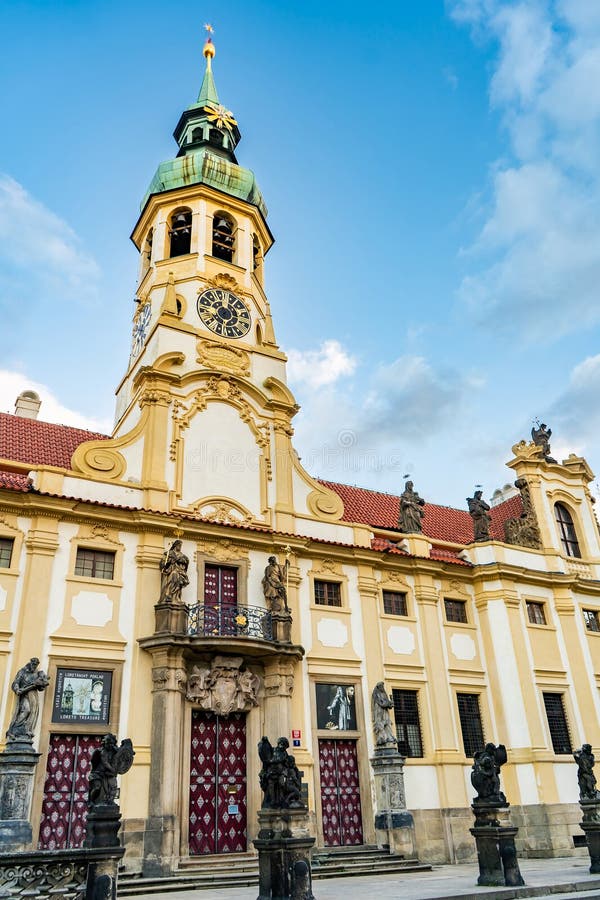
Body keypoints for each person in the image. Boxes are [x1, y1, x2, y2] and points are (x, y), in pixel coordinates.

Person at [6, 657, 50, 743]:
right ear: (30, 663)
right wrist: (17, 689)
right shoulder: (22, 672)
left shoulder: (38, 673)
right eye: (33, 664)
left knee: (33, 712)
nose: (34, 666)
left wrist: (41, 684)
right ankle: (15, 729)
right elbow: (16, 683)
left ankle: (26, 729)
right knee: (26, 710)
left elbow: (41, 687)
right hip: (24, 694)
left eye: (36, 665)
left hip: (33, 695)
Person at [159, 539, 189, 603]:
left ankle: (176, 597)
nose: (180, 547)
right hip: (170, 571)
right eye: (179, 545)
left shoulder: (182, 556)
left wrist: (182, 561)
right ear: (175, 545)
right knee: (174, 575)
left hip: (180, 571)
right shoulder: (169, 553)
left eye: (181, 546)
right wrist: (168, 562)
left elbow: (186, 563)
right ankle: (169, 595)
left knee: (178, 577)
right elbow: (163, 564)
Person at [372, 681, 397, 747]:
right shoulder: (377, 695)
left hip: (385, 712)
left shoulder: (384, 694)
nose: (382, 688)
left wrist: (391, 704)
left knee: (387, 723)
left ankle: (389, 737)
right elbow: (381, 704)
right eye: (381, 686)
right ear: (378, 687)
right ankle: (382, 738)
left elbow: (387, 703)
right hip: (379, 712)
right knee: (380, 724)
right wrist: (388, 703)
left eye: (383, 686)